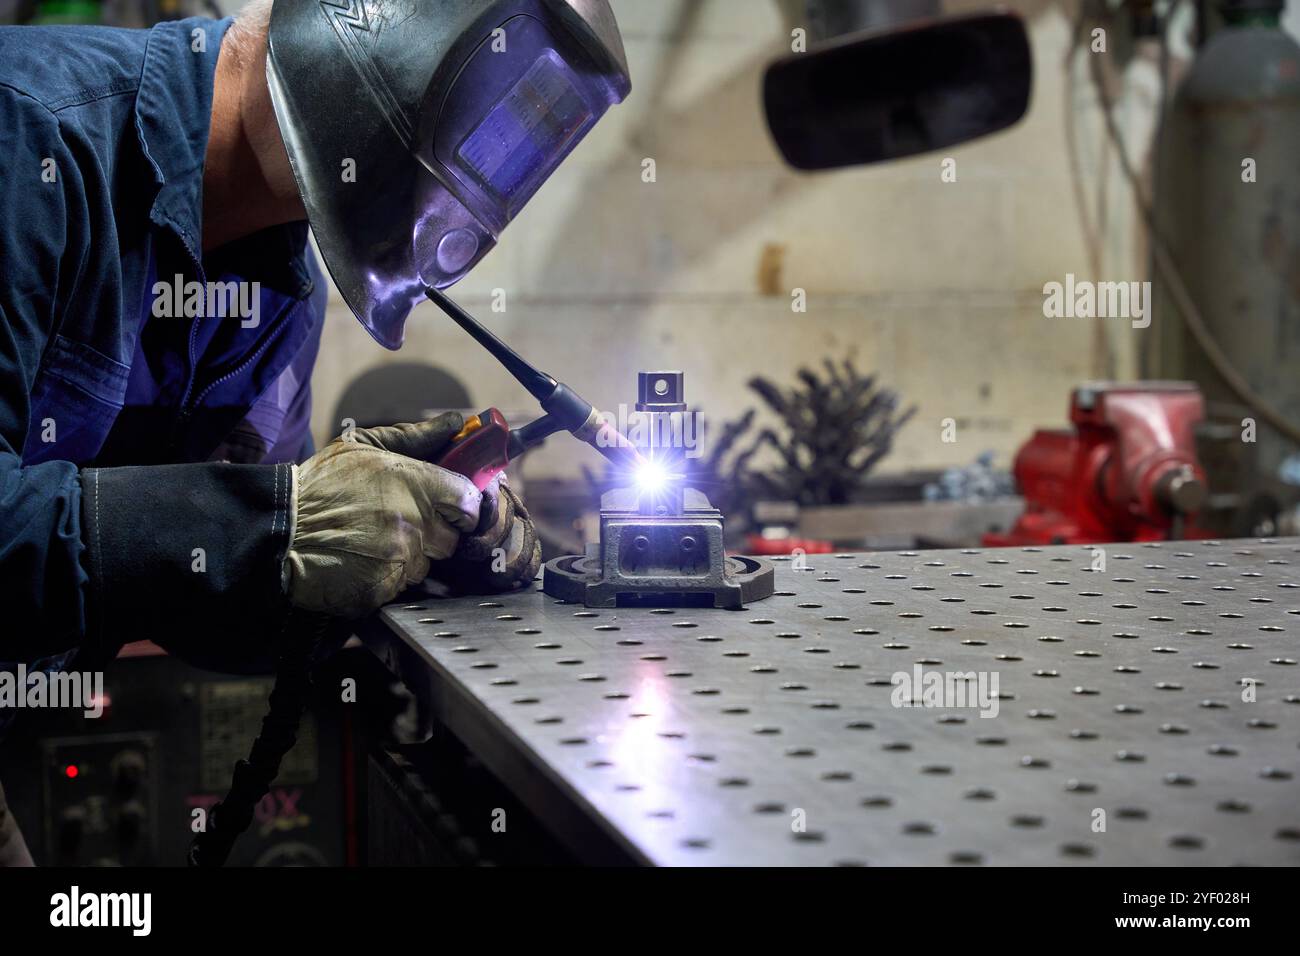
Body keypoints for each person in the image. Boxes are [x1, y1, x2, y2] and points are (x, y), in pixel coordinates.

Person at [0, 0, 630, 863]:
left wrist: (401, 550)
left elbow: (210, 600)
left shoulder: (281, 285)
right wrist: (270, 518)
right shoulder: (28, 133)